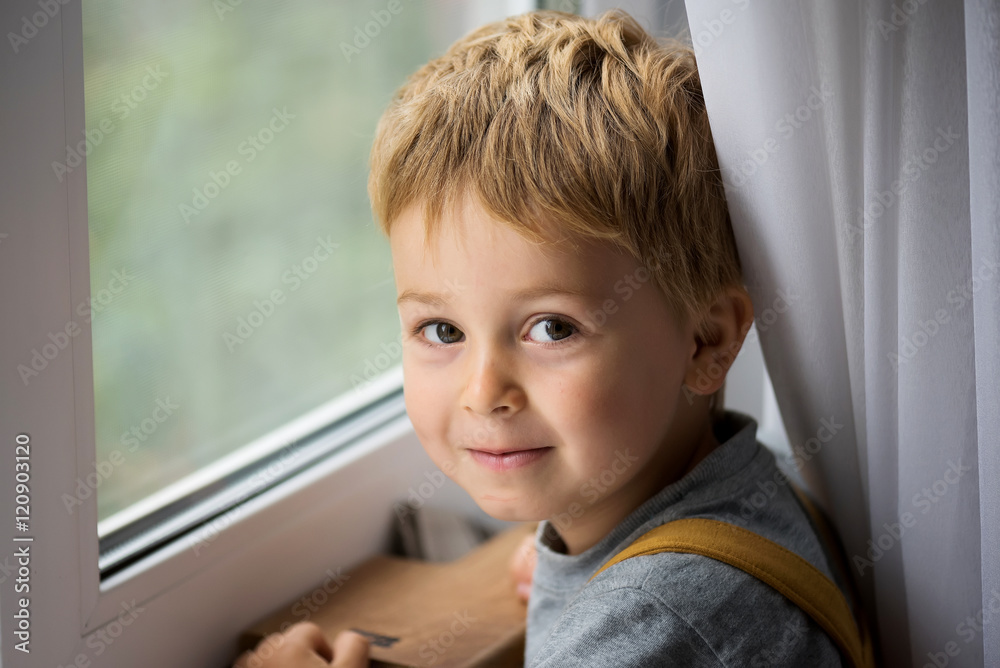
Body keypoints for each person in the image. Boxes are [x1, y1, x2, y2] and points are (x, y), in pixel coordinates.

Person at [234, 9, 848, 667]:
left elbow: (658, 628)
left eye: (552, 329)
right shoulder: (749, 489)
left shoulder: (650, 629)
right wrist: (584, 566)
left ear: (705, 342)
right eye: (442, 330)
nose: (484, 392)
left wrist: (613, 602)